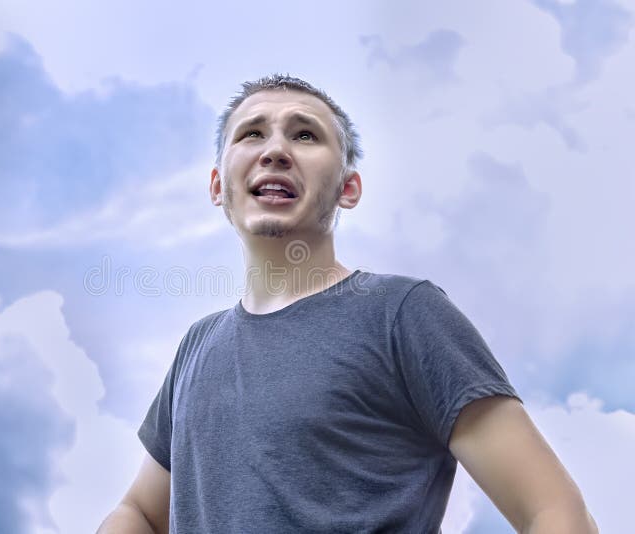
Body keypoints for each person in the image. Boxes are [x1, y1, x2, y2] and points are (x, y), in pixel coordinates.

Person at [97, 74, 597, 533]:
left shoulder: (402, 315)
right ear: (217, 187)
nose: (275, 150)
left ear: (348, 189)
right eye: (251, 133)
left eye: (305, 135)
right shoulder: (197, 346)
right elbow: (139, 510)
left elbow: (551, 510)